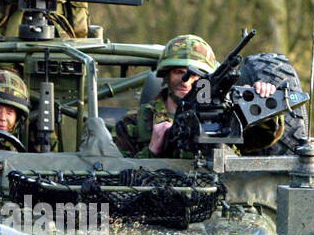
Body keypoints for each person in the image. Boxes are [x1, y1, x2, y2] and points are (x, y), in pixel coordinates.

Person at [115, 34, 276, 158]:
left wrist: (259, 101)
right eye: (179, 72)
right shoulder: (134, 124)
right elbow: (117, 180)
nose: (185, 82)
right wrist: (152, 150)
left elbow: (264, 137)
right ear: (166, 74)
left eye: (195, 76)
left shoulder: (225, 116)